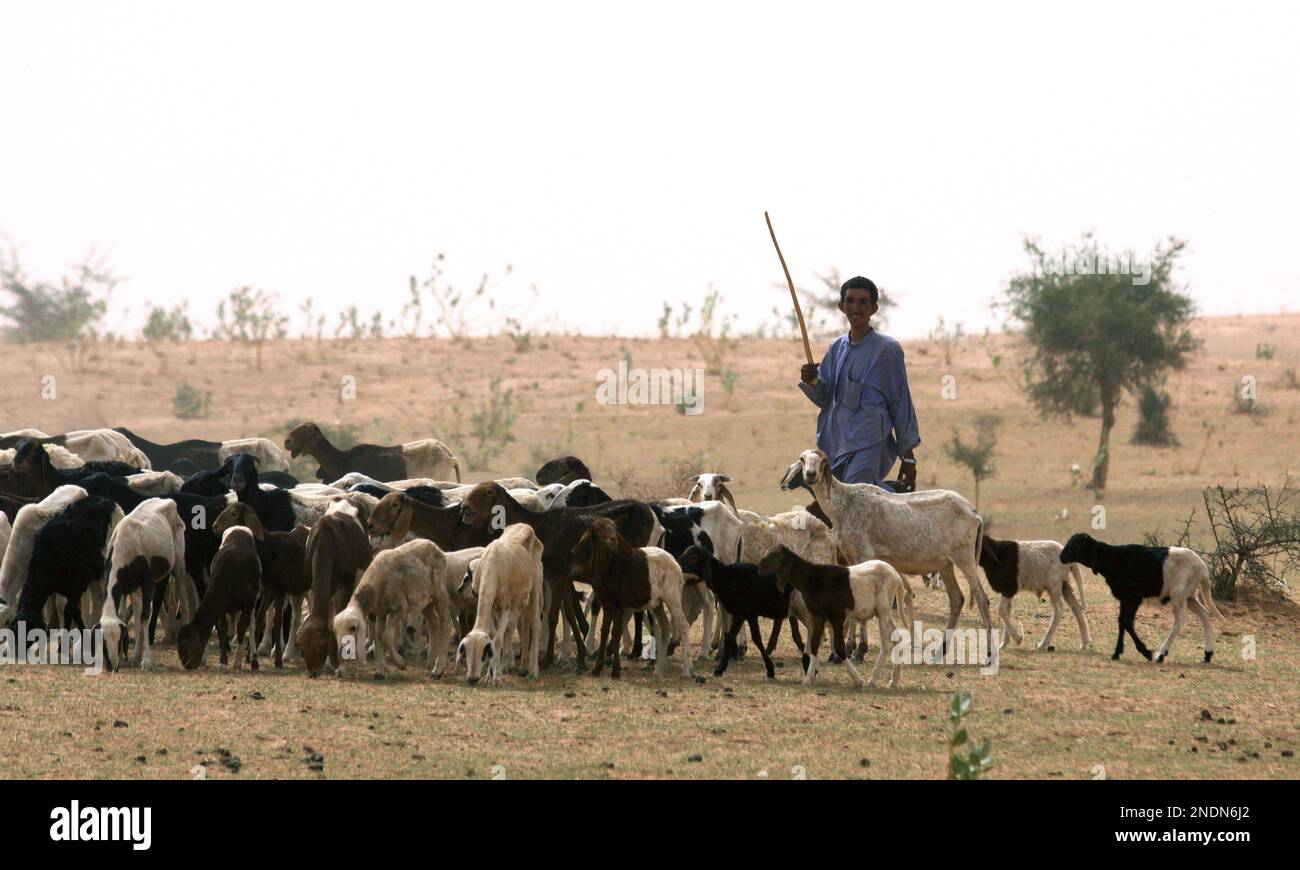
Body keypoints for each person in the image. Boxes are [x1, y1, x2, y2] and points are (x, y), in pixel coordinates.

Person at [798, 276, 921, 489]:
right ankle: (892, 495)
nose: (856, 308)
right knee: (835, 504)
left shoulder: (887, 349)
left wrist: (908, 458)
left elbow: (900, 402)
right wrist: (812, 380)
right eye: (850, 301)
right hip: (834, 443)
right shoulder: (837, 347)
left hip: (869, 444)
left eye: (863, 302)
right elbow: (826, 398)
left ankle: (896, 497)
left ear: (874, 308)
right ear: (841, 306)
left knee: (857, 499)